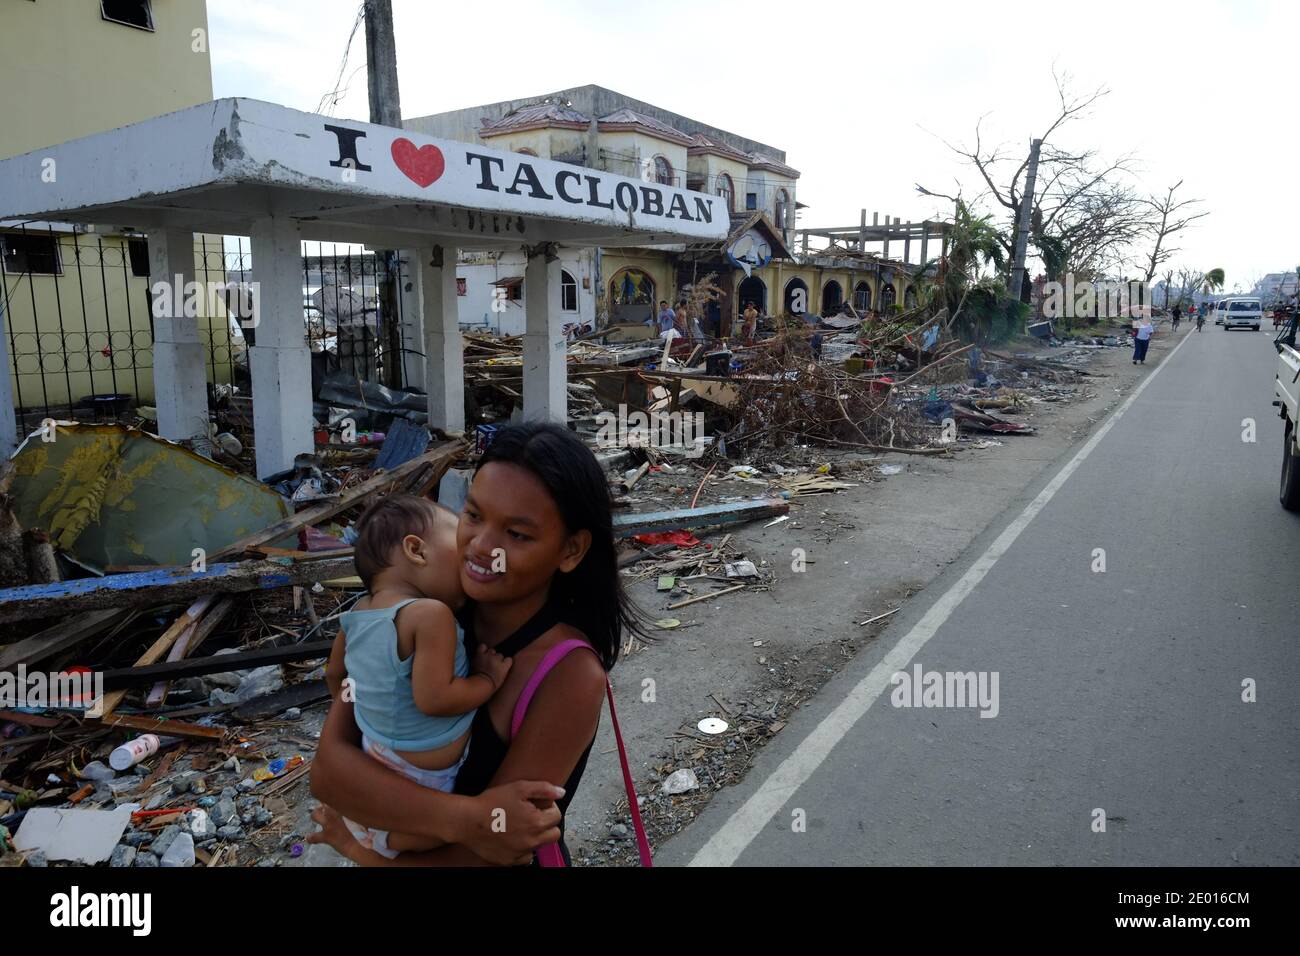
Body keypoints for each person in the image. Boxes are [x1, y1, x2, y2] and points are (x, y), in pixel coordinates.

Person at [309, 422, 639, 865]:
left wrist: (358, 847)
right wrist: (468, 818)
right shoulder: (419, 611)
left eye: (517, 535)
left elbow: (486, 856)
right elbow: (329, 774)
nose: (482, 547)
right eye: (474, 515)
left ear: (571, 550)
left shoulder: (568, 675)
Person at [326, 495, 512, 858]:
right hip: (421, 770)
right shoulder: (429, 614)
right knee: (439, 835)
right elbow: (435, 700)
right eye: (459, 553)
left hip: (374, 748)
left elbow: (335, 674)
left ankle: (369, 829)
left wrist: (372, 711)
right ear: (416, 550)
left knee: (405, 821)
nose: (468, 561)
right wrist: (487, 681)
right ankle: (378, 840)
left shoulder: (357, 613)